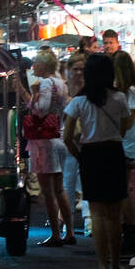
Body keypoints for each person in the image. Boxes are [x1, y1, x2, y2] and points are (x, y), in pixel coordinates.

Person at [63, 53, 131, 269]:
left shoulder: (79, 102)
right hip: (114, 153)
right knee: (115, 214)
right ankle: (116, 266)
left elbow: (67, 136)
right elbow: (123, 129)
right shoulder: (120, 98)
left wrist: (80, 156)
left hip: (91, 155)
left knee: (98, 214)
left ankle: (102, 267)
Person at [24, 48, 74, 247]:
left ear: (43, 65)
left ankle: (55, 234)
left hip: (44, 141)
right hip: (59, 136)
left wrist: (32, 97)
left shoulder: (44, 83)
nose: (33, 66)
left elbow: (41, 110)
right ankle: (69, 231)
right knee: (60, 189)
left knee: (48, 191)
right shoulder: (61, 83)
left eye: (36, 62)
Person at [111, 50, 135, 254]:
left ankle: (130, 233)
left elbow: (131, 116)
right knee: (124, 190)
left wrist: (119, 129)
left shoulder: (130, 91)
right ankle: (128, 232)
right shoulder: (130, 90)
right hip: (127, 145)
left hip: (127, 146)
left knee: (124, 191)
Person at [62, 53, 86, 232]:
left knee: (87, 182)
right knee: (67, 181)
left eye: (82, 69)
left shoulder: (90, 90)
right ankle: (66, 221)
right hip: (66, 141)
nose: (78, 73)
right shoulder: (63, 90)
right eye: (75, 69)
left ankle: (89, 221)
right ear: (68, 71)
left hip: (87, 141)